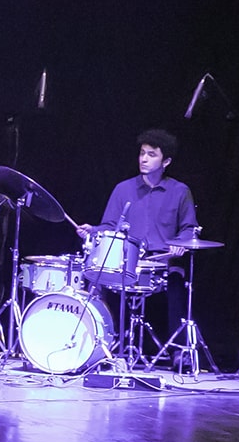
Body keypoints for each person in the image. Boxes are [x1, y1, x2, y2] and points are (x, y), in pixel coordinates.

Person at [76, 128, 199, 348]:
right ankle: (104, 343)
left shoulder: (180, 191)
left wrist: (180, 246)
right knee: (98, 277)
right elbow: (109, 226)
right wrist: (93, 230)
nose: (144, 159)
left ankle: (178, 349)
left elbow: (189, 229)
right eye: (142, 153)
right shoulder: (123, 189)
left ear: (166, 161)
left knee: (177, 284)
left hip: (163, 262)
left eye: (152, 154)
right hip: (128, 260)